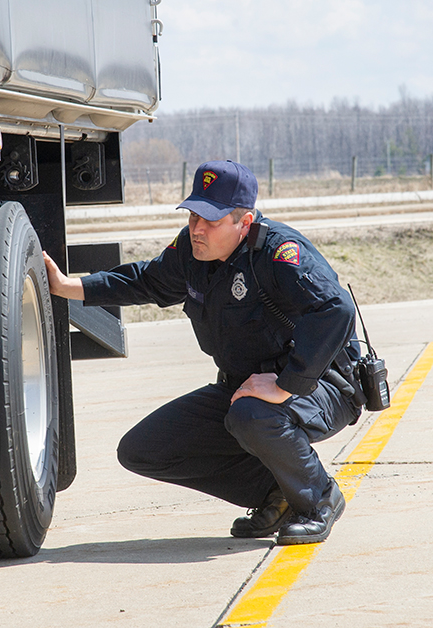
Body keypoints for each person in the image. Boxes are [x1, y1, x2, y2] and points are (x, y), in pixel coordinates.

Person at [43, 160, 363, 545]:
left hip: (319, 386)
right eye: (194, 215)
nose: (197, 228)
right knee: (143, 450)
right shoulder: (193, 252)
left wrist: (286, 384)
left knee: (252, 414)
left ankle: (318, 499)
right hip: (244, 388)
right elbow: (146, 280)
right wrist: (68, 286)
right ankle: (277, 494)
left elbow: (336, 310)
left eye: (210, 221)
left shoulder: (279, 254)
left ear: (243, 223)